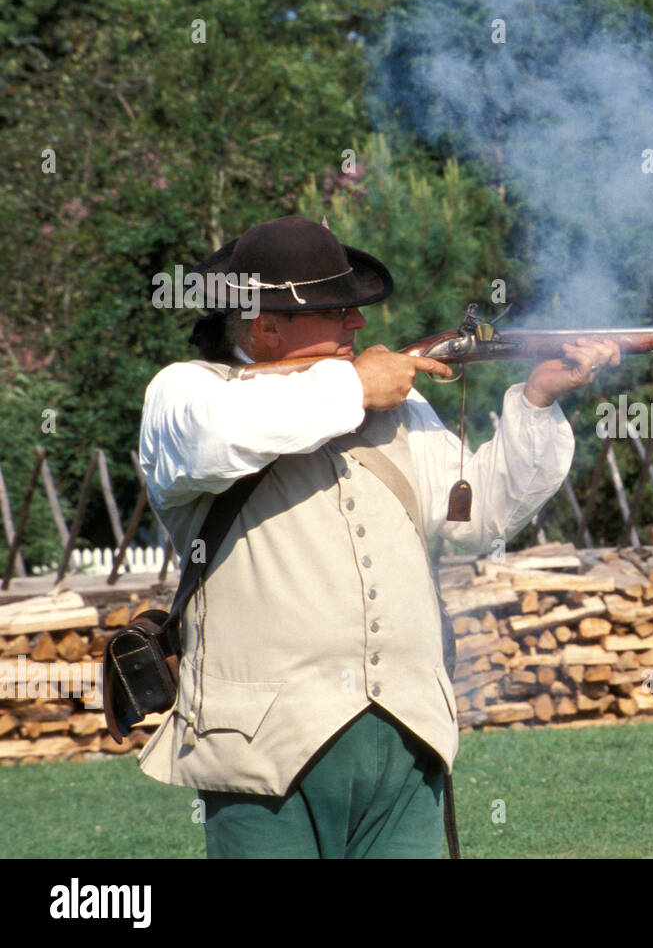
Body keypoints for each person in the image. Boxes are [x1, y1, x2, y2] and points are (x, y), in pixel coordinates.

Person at [135, 215, 619, 857]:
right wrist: (357, 385)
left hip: (406, 737)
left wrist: (535, 399)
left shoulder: (394, 405)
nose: (358, 324)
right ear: (265, 326)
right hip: (260, 754)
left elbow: (474, 522)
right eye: (336, 311)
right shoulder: (186, 394)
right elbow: (218, 434)